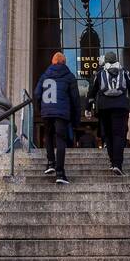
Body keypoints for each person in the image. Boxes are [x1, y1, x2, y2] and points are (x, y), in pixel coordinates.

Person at [87, 51, 130, 174]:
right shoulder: (125, 72)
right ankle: (117, 164)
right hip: (121, 107)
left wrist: (88, 108)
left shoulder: (100, 73)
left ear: (105, 61)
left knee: (108, 136)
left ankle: (112, 162)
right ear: (116, 60)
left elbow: (92, 92)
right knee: (119, 136)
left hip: (104, 107)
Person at [33, 51, 80, 184]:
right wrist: (76, 119)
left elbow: (37, 94)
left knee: (48, 137)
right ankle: (60, 172)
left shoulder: (44, 76)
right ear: (64, 62)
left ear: (52, 62)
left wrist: (40, 109)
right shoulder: (69, 76)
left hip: (47, 112)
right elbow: (75, 99)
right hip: (61, 113)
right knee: (60, 140)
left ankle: (50, 163)